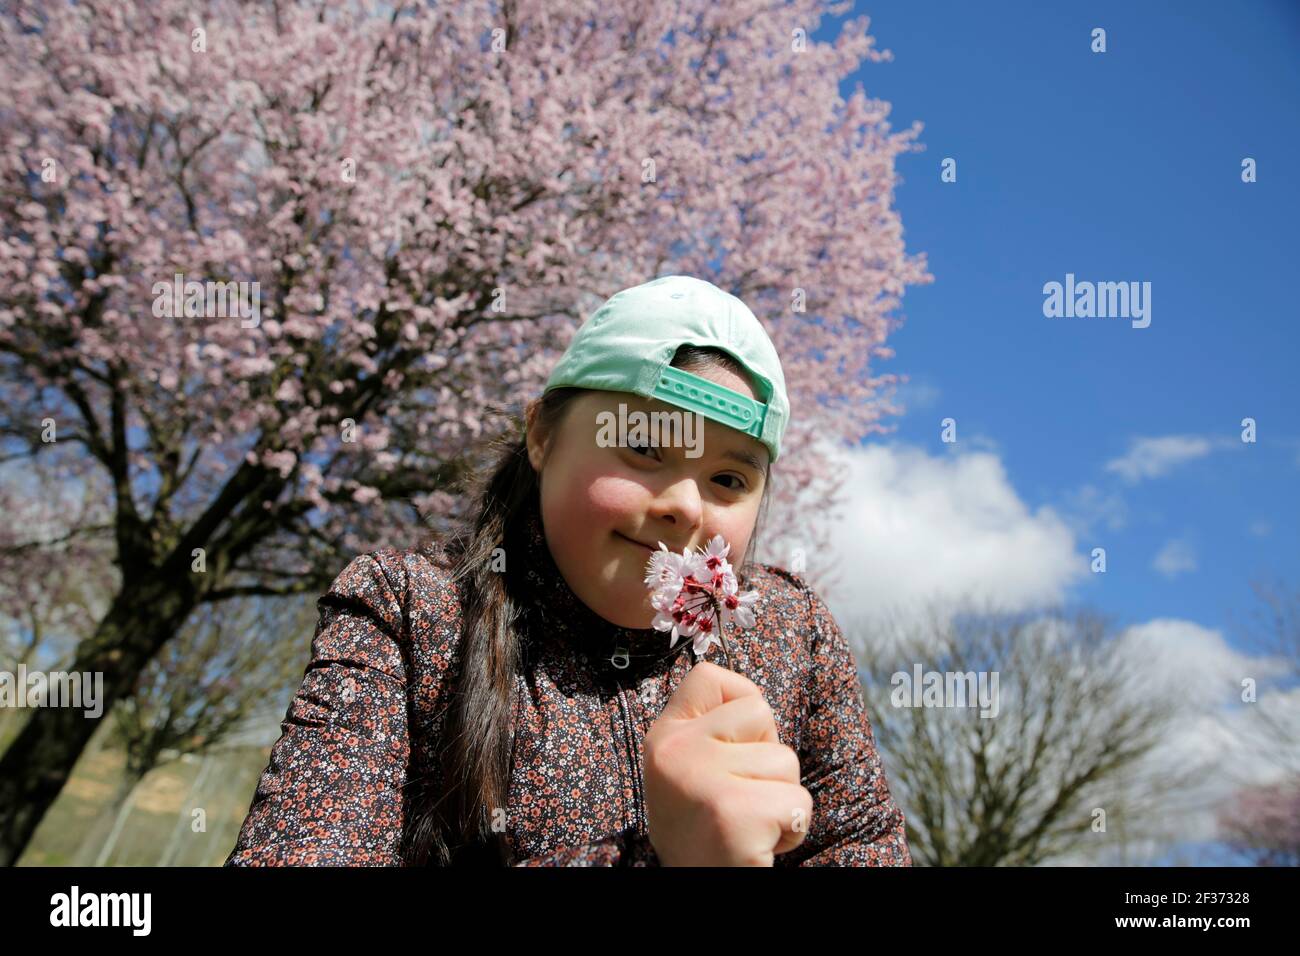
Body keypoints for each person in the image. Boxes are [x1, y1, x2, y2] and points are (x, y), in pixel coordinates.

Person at [224, 275, 912, 867]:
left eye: (729, 477)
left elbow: (862, 840)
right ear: (542, 434)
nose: (684, 506)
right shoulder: (410, 612)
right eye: (644, 444)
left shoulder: (795, 639)